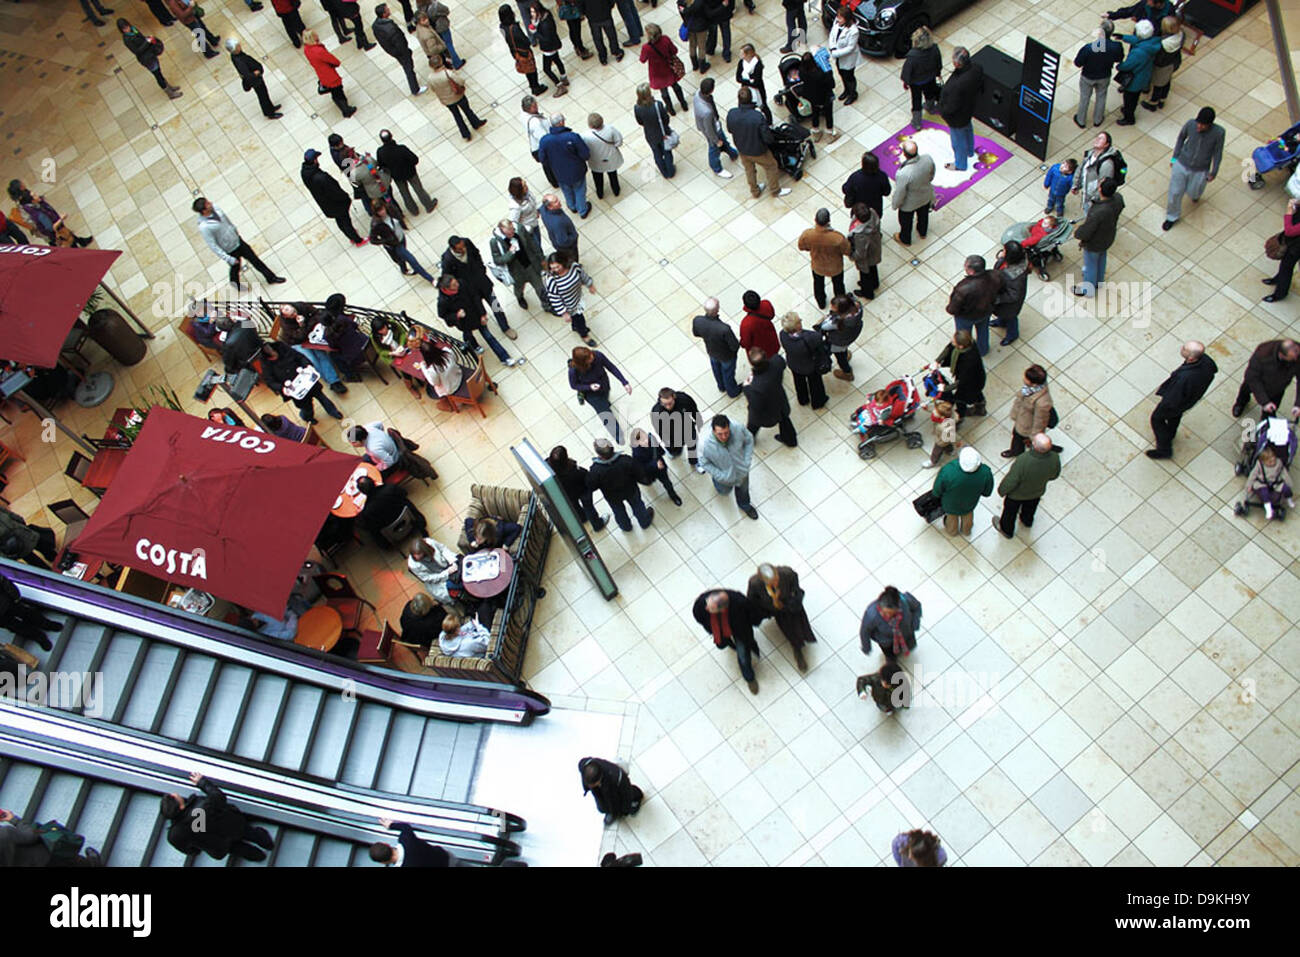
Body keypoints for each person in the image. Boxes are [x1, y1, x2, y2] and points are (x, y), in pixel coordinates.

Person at [161, 772, 274, 861]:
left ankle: (258, 856)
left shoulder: (174, 835)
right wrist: (202, 782)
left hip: (219, 847)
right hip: (234, 826)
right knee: (252, 833)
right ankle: (267, 843)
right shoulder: (201, 807)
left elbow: (191, 851)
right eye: (174, 797)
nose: (175, 794)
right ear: (180, 806)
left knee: (240, 850)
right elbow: (218, 796)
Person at [192, 197, 285, 288]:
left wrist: (234, 229)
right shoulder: (205, 227)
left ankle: (271, 277)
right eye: (208, 204)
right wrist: (228, 258)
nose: (210, 203)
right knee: (236, 267)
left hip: (237, 241)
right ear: (204, 211)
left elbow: (227, 220)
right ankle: (234, 282)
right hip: (230, 249)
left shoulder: (216, 208)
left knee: (255, 260)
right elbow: (213, 245)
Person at [1147, 341, 1217, 459]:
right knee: (1175, 416)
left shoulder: (1184, 378)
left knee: (1157, 419)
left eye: (1184, 348)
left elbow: (1172, 399)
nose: (1182, 348)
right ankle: (1171, 433)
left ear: (1190, 358)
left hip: (1176, 403)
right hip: (1189, 399)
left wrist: (1165, 404)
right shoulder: (1206, 362)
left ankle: (1164, 449)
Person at [437, 275, 521, 366]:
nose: (457, 284)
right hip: (464, 322)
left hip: (476, 315)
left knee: (488, 336)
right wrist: (456, 315)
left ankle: (504, 358)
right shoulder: (443, 301)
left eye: (456, 282)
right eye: (454, 285)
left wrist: (482, 314)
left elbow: (475, 297)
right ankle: (474, 345)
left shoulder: (462, 283)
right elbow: (442, 314)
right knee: (468, 334)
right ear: (447, 288)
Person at [746, 563, 815, 672]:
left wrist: (790, 604)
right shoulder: (755, 584)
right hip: (775, 610)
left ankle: (801, 641)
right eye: (771, 583)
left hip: (791, 605)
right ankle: (797, 648)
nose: (776, 583)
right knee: (789, 631)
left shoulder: (788, 574)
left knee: (800, 626)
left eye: (776, 579)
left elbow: (796, 590)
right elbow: (752, 600)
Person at [1163, 106, 1224, 231]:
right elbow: (1181, 138)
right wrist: (1174, 158)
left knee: (1194, 191)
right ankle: (1171, 216)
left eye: (1203, 125)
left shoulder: (1219, 133)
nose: (1199, 127)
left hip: (1201, 169)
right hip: (1182, 163)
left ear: (1210, 125)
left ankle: (1195, 195)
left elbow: (1218, 152)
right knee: (1175, 192)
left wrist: (1214, 171)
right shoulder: (1190, 124)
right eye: (1198, 123)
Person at [442, 235, 515, 339]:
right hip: (470, 292)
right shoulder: (448, 260)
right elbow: (448, 278)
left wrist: (481, 269)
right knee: (479, 312)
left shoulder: (467, 242)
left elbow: (476, 254)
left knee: (495, 305)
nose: (463, 249)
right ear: (453, 249)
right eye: (460, 249)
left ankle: (505, 327)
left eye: (463, 247)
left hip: (483, 283)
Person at [727, 87, 792, 200]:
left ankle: (755, 191)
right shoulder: (757, 117)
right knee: (771, 166)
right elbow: (767, 138)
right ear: (751, 99)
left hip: (742, 148)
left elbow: (730, 129)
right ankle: (775, 190)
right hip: (758, 150)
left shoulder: (732, 113)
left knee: (749, 169)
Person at [692, 589, 761, 693]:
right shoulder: (701, 604)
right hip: (718, 630)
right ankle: (728, 642)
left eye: (711, 608)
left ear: (722, 609)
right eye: (708, 604)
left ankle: (749, 677)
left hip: (740, 631)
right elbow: (699, 617)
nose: (706, 608)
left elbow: (753, 616)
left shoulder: (739, 602)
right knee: (723, 643)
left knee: (743, 655)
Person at [993, 432, 1060, 538]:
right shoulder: (1055, 458)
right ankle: (1027, 521)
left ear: (1034, 445)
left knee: (1010, 513)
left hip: (1016, 495)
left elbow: (1012, 480)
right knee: (1030, 508)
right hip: (1036, 492)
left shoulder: (1023, 460)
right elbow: (1054, 475)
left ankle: (1006, 530)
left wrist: (1002, 490)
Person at [260, 340, 344, 423]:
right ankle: (307, 417)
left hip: (306, 380)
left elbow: (300, 357)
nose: (274, 355)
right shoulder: (266, 365)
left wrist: (307, 365)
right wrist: (282, 388)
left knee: (322, 397)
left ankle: (333, 412)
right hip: (294, 389)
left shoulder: (283, 349)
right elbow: (270, 381)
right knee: (307, 408)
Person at [697, 413, 758, 519]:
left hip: (741, 471)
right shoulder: (704, 444)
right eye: (720, 434)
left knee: (743, 491)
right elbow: (704, 462)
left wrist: (746, 461)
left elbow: (749, 440)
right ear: (713, 431)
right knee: (723, 490)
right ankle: (720, 487)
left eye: (726, 433)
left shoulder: (738, 428)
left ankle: (745, 506)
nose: (724, 437)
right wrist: (720, 476)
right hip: (723, 475)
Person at [1073, 177, 1124, 297]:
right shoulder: (1118, 199)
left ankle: (1088, 290)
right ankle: (1099, 282)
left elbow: (1087, 230)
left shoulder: (1099, 211)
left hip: (1094, 242)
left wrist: (1077, 232)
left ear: (1100, 189)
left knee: (1090, 265)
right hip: (1108, 237)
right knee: (1101, 258)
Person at [587, 438, 654, 530]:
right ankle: (644, 521)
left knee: (618, 511)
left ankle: (625, 526)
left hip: (612, 496)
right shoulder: (625, 460)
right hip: (631, 490)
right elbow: (639, 472)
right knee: (637, 505)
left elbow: (592, 485)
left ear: (599, 454)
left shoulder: (596, 470)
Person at [569, 346, 631, 443]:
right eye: (589, 358)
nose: (592, 358)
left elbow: (611, 367)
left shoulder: (597, 355)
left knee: (605, 400)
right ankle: (617, 434)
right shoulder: (573, 371)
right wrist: (589, 387)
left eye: (591, 355)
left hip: (603, 383)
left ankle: (605, 403)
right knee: (605, 414)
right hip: (591, 394)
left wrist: (624, 382)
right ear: (582, 363)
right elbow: (574, 385)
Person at [945, 254, 1003, 357]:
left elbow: (952, 309)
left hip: (966, 317)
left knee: (964, 336)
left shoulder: (963, 288)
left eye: (965, 265)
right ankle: (983, 350)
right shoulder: (995, 275)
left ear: (971, 271)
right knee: (983, 331)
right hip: (986, 312)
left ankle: (966, 353)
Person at [7, 180, 94, 247]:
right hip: (49, 230)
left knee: (66, 233)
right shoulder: (27, 207)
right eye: (35, 196)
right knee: (63, 240)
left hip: (51, 221)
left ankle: (80, 242)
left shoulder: (29, 197)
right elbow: (48, 227)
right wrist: (60, 219)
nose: (38, 195)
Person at [1230, 339, 1300, 419]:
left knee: (1271, 410)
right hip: (1258, 382)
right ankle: (1241, 403)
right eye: (1292, 357)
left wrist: (1298, 404)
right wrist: (1264, 402)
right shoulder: (1263, 353)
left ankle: (1266, 420)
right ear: (1281, 355)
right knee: (1245, 391)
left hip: (1278, 388)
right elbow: (1252, 377)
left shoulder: (1297, 355)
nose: (1296, 359)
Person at [538, 113, 592, 216]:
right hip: (576, 171)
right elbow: (585, 154)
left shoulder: (544, 140)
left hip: (559, 172)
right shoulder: (572, 137)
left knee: (566, 190)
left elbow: (542, 159)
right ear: (562, 122)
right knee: (579, 189)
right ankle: (582, 210)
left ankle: (571, 205)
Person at [932, 446, 993, 536]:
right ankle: (966, 531)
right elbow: (987, 492)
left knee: (952, 517)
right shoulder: (985, 472)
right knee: (968, 514)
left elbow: (938, 488)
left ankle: (952, 531)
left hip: (950, 504)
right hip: (970, 502)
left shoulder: (948, 471)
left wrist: (936, 494)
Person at [796, 208, 850, 310]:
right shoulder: (837, 238)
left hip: (817, 266)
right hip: (835, 267)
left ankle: (821, 303)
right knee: (838, 285)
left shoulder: (808, 235)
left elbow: (801, 246)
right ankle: (841, 305)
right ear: (829, 221)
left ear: (815, 220)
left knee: (818, 284)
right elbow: (847, 250)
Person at [375, 129, 438, 217]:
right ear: (391, 136)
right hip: (410, 173)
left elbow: (381, 165)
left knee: (405, 193)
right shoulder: (401, 149)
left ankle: (413, 210)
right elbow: (415, 159)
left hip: (397, 177)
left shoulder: (380, 152)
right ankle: (429, 205)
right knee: (419, 189)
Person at [939, 46, 982, 172]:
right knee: (968, 129)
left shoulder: (957, 85)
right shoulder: (976, 68)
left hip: (957, 116)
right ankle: (970, 151)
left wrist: (943, 110)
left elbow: (951, 107)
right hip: (969, 108)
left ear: (957, 63)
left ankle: (960, 164)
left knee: (957, 141)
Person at [1073, 19, 1123, 128]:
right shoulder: (1116, 46)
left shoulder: (1088, 48)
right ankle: (1098, 119)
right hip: (1104, 75)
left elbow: (1078, 63)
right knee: (1101, 96)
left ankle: (1081, 120)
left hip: (1088, 76)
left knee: (1084, 98)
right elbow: (1119, 58)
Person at [426, 54, 487, 140]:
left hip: (446, 100)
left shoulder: (430, 78)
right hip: (458, 96)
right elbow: (461, 81)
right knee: (467, 110)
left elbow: (433, 89)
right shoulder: (447, 73)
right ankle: (475, 123)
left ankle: (465, 134)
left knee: (457, 116)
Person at [117, 18, 181, 98]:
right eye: (124, 29)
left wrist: (148, 40)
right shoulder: (127, 40)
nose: (127, 29)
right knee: (157, 75)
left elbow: (142, 38)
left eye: (127, 27)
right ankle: (169, 92)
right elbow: (137, 51)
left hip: (150, 53)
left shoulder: (134, 30)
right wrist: (146, 42)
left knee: (159, 72)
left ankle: (168, 87)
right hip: (146, 59)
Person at [1114, 19, 1162, 126]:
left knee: (1129, 99)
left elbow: (1128, 65)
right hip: (1144, 75)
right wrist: (1124, 37)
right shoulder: (1153, 42)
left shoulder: (1138, 52)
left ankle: (1129, 117)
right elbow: (1139, 41)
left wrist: (1119, 66)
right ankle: (1128, 110)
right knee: (1134, 98)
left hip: (1134, 81)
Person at [545, 250, 598, 344]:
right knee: (580, 318)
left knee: (577, 319)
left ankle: (575, 326)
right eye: (553, 268)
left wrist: (590, 285)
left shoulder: (574, 267)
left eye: (558, 266)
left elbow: (583, 275)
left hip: (577, 297)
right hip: (569, 305)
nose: (556, 270)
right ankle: (584, 334)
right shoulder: (551, 280)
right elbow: (554, 298)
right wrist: (564, 312)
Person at [491, 218, 546, 308]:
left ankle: (547, 305)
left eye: (513, 230)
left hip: (530, 265)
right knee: (519, 288)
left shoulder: (519, 229)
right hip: (515, 272)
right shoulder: (495, 242)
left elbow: (532, 243)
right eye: (509, 233)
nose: (512, 233)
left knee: (540, 287)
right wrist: (510, 253)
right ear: (503, 231)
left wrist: (541, 258)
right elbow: (497, 260)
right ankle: (520, 298)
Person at [692, 298, 742, 397]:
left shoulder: (697, 320)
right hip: (727, 356)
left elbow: (696, 333)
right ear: (717, 310)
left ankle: (721, 386)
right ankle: (732, 391)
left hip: (712, 352)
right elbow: (734, 345)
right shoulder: (724, 328)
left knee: (716, 370)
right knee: (728, 373)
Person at [547, 446, 606, 529]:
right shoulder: (572, 470)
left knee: (575, 507)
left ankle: (582, 519)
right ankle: (597, 525)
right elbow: (585, 475)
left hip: (566, 494)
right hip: (582, 490)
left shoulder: (547, 468)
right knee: (588, 507)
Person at [1003, 364, 1053, 458]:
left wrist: (1034, 438)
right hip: (1022, 418)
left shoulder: (1042, 403)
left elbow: (1040, 422)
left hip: (1026, 426)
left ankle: (1016, 452)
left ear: (1033, 383)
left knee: (1017, 438)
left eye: (1026, 377)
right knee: (1017, 436)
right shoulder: (1029, 389)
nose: (1023, 378)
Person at [374, 3, 426, 95]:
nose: (389, 10)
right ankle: (415, 89)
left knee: (407, 66)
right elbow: (400, 43)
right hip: (401, 52)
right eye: (387, 9)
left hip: (393, 50)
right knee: (408, 68)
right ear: (384, 14)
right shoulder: (391, 29)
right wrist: (405, 51)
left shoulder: (376, 25)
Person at [859, 586, 922, 661]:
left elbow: (917, 606)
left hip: (906, 633)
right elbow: (865, 631)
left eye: (891, 613)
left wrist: (914, 625)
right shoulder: (871, 614)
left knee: (910, 646)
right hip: (887, 642)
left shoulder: (905, 600)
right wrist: (866, 647)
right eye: (885, 613)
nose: (888, 616)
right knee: (890, 656)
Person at [779, 312, 827, 410]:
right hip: (810, 366)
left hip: (794, 364)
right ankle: (818, 402)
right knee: (815, 384)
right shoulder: (810, 338)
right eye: (799, 321)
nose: (801, 321)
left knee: (799, 382)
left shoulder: (783, 334)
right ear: (797, 326)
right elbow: (819, 341)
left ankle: (803, 399)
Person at [890, 140, 935, 246]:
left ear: (905, 154)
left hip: (909, 203)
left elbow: (900, 192)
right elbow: (932, 175)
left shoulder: (903, 173)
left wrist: (895, 204)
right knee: (923, 216)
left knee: (906, 222)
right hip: (925, 196)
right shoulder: (927, 159)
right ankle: (922, 232)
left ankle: (905, 239)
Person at [0, 572, 60, 651]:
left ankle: (47, 624)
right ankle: (39, 637)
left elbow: (3, 581)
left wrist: (15, 595)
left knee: (27, 613)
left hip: (7, 602)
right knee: (16, 627)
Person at [357, 475, 427, 542]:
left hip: (391, 528)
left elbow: (371, 526)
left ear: (363, 492)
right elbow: (404, 493)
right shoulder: (390, 488)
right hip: (406, 515)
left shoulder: (367, 511)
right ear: (374, 482)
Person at [303, 29, 356, 117]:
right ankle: (346, 110)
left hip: (322, 73)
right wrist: (336, 63)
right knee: (338, 92)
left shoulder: (307, 49)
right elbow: (332, 60)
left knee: (335, 92)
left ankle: (344, 108)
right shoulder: (318, 51)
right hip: (329, 75)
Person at [226, 38, 282, 118]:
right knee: (262, 96)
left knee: (264, 94)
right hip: (255, 81)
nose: (240, 46)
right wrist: (255, 74)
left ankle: (270, 108)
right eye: (237, 46)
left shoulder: (236, 55)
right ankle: (269, 113)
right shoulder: (239, 61)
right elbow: (247, 74)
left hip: (256, 79)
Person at [641, 23, 688, 117]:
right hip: (669, 68)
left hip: (657, 72)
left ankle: (671, 109)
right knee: (675, 85)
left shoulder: (646, 48)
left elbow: (642, 60)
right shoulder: (665, 39)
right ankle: (683, 104)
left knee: (664, 91)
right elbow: (674, 50)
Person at [693, 77, 737, 178]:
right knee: (714, 148)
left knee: (723, 141)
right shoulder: (707, 112)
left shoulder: (698, 94)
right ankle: (717, 168)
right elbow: (709, 129)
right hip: (712, 129)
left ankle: (732, 153)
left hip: (713, 124)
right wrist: (716, 141)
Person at [407, 537, 467, 611]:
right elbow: (428, 578)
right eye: (414, 555)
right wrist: (447, 573)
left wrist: (452, 561)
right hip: (438, 580)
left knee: (466, 570)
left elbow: (443, 549)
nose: (416, 557)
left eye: (419, 554)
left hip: (448, 566)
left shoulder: (430, 542)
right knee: (458, 584)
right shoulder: (413, 565)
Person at [578, 757, 643, 825]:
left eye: (593, 784)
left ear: (600, 778)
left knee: (624, 802)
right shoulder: (584, 765)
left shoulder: (618, 778)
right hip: (604, 788)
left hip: (619, 788)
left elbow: (626, 795)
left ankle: (635, 799)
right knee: (602, 807)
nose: (590, 786)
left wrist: (625, 809)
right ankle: (611, 811)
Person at [901, 24, 942, 131]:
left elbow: (907, 71)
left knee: (916, 100)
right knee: (930, 93)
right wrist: (938, 73)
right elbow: (938, 63)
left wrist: (906, 82)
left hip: (916, 83)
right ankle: (930, 107)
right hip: (930, 77)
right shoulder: (934, 49)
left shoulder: (912, 56)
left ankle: (917, 122)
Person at [500, 5, 548, 95]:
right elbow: (525, 40)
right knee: (532, 69)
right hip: (524, 51)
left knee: (526, 69)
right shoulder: (514, 27)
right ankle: (536, 87)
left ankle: (532, 85)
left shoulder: (502, 27)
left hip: (515, 52)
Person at [629, 427, 682, 506]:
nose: (646, 441)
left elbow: (658, 448)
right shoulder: (636, 453)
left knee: (667, 483)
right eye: (642, 440)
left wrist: (662, 453)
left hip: (660, 468)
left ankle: (673, 496)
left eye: (645, 437)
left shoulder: (652, 438)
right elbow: (641, 468)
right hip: (650, 472)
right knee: (650, 481)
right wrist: (654, 464)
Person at [634, 83, 677, 179]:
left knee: (657, 154)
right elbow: (666, 119)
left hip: (650, 135)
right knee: (667, 152)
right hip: (662, 133)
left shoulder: (637, 108)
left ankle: (664, 173)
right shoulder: (658, 105)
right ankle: (670, 171)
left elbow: (640, 121)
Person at [650, 387, 702, 466]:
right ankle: (673, 452)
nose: (668, 407)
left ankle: (694, 462)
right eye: (664, 404)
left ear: (674, 397)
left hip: (688, 428)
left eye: (670, 403)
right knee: (675, 450)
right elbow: (659, 429)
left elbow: (693, 409)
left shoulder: (684, 399)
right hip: (672, 436)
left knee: (692, 447)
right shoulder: (657, 411)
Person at [370, 820, 457, 867]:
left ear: (383, 862)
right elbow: (406, 827)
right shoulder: (406, 839)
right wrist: (391, 825)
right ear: (387, 845)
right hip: (447, 858)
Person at [1071, 131, 1120, 215]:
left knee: (1090, 214)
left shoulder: (1106, 165)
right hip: (1086, 193)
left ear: (1106, 145)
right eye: (1097, 137)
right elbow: (1081, 169)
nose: (1097, 139)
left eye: (1101, 138)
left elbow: (1104, 186)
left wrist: (1094, 200)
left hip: (1092, 198)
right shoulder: (1090, 154)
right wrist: (1076, 184)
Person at [990, 240, 1028, 347]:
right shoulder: (1012, 261)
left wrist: (998, 298)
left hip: (1009, 304)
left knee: (1010, 318)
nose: (1003, 252)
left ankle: (1012, 334)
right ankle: (1001, 322)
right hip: (1002, 295)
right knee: (1002, 314)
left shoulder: (1015, 276)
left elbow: (1013, 295)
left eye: (1005, 251)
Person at [819, 294, 863, 383]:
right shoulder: (857, 308)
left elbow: (824, 326)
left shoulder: (839, 321)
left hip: (838, 342)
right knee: (843, 350)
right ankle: (845, 354)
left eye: (834, 308)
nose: (831, 309)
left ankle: (847, 373)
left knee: (840, 357)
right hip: (849, 336)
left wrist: (824, 319)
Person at [1263, 198, 1300, 303]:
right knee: (1285, 266)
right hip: (1294, 243)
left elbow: (1290, 231)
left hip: (1296, 246)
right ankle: (1278, 280)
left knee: (1286, 267)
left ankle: (1280, 293)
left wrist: (1289, 212)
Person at [530, 1, 570, 95]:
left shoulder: (545, 24)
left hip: (549, 48)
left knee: (547, 69)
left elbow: (545, 38)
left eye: (533, 12)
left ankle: (560, 85)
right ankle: (564, 77)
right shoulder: (546, 16)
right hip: (554, 44)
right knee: (557, 60)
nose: (532, 14)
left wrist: (535, 32)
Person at [797, 50, 837, 143]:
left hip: (811, 98)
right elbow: (831, 84)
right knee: (828, 114)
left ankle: (816, 131)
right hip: (824, 97)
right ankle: (829, 133)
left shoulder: (801, 71)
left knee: (815, 113)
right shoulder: (819, 74)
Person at [1246, 446, 1295, 521]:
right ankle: (1268, 508)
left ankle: (1289, 499)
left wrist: (1289, 483)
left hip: (1275, 483)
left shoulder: (1279, 463)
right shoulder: (1259, 465)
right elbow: (1253, 475)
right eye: (1270, 462)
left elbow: (1284, 474)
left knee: (1286, 489)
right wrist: (1249, 485)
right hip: (1262, 483)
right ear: (1263, 461)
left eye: (1273, 459)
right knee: (1264, 492)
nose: (1273, 462)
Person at [582, 113, 624, 199]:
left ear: (590, 125)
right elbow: (619, 142)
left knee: (597, 178)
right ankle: (616, 191)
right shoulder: (610, 129)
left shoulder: (585, 136)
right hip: (611, 158)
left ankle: (600, 193)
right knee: (613, 175)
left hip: (595, 160)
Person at [522, 95, 559, 188]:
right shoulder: (535, 123)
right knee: (549, 165)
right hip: (541, 147)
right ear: (529, 108)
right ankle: (555, 181)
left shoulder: (524, 115)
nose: (537, 106)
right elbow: (543, 138)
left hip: (536, 147)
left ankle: (553, 180)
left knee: (547, 165)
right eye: (534, 106)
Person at [846, 201, 881, 300]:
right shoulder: (873, 214)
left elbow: (860, 253)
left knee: (865, 274)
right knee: (873, 267)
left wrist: (852, 256)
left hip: (866, 257)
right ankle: (875, 283)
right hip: (874, 248)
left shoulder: (861, 235)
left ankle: (867, 292)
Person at [826, 5, 860, 105]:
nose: (838, 19)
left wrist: (835, 53)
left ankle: (853, 94)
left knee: (849, 76)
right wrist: (832, 47)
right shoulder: (836, 23)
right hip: (838, 56)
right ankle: (846, 90)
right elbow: (832, 35)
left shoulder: (854, 31)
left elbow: (850, 48)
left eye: (840, 17)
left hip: (848, 58)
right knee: (841, 73)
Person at [842, 151, 891, 220]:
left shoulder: (855, 177)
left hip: (859, 210)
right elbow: (887, 192)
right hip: (876, 209)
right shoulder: (882, 176)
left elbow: (845, 189)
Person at [735, 43, 770, 122]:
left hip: (758, 90)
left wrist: (746, 81)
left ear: (747, 54)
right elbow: (738, 78)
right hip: (746, 90)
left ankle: (769, 121)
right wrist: (749, 81)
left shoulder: (758, 65)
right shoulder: (741, 62)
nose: (740, 55)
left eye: (742, 53)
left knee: (763, 106)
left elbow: (756, 83)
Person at [739, 289, 779, 358]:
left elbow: (746, 342)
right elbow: (772, 315)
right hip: (772, 340)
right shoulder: (766, 304)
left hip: (759, 351)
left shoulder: (746, 323)